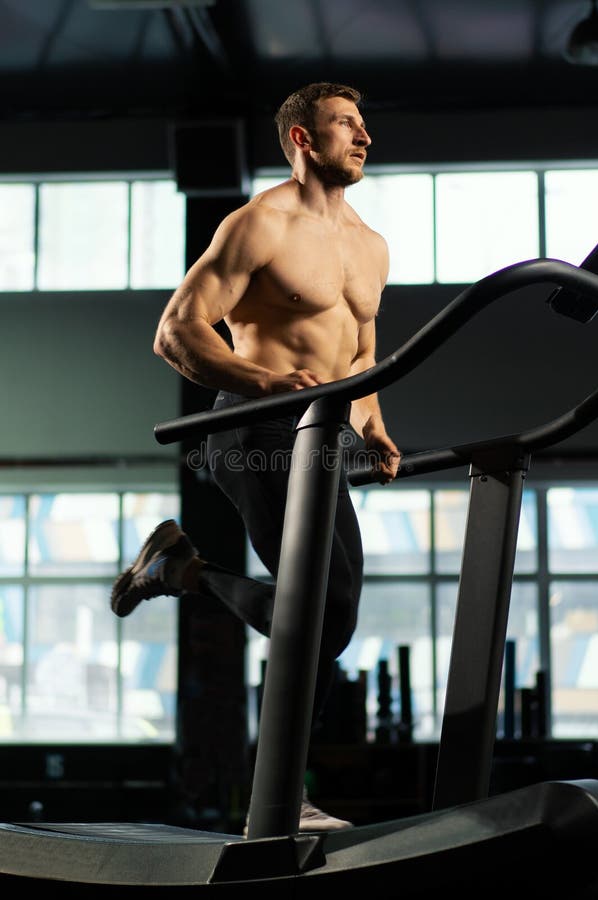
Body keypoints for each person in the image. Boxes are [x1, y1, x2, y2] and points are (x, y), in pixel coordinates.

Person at [110, 82, 401, 832]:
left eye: (363, 124)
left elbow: (360, 355)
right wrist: (264, 381)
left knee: (335, 616)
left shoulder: (370, 246)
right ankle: (282, 797)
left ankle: (183, 570)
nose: (363, 136)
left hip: (321, 434)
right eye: (345, 124)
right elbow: (177, 331)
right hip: (252, 426)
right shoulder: (259, 224)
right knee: (314, 606)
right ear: (302, 138)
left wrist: (372, 424)